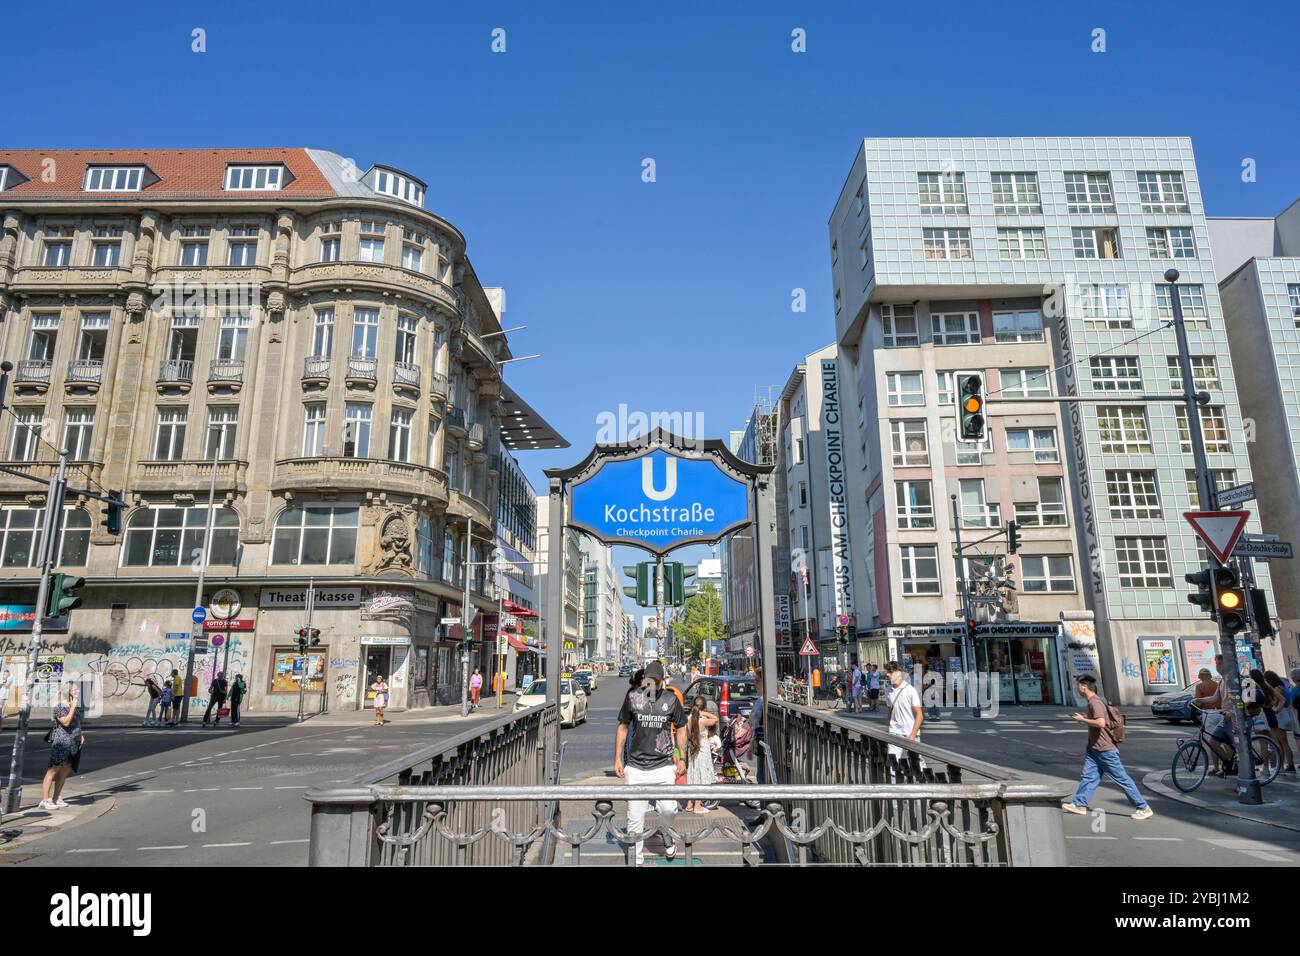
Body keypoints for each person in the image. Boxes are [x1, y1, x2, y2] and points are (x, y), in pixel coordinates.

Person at [614, 661, 687, 866]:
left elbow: (681, 728)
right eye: (649, 680)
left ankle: (667, 834)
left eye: (655, 681)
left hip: (663, 766)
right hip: (636, 767)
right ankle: (636, 860)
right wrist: (618, 758)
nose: (652, 684)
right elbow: (622, 727)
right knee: (634, 819)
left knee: (668, 809)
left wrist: (682, 757)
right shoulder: (633, 697)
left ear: (662, 681)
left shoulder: (671, 699)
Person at [1062, 675, 1152, 820]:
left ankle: (1143, 807)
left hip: (1105, 749)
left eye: (1078, 685)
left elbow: (1100, 723)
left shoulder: (1095, 703)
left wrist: (1082, 720)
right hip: (1095, 748)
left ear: (1084, 686)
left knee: (1122, 779)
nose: (1076, 688)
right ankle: (1079, 804)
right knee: (1089, 777)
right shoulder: (1095, 701)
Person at [39, 682, 84, 811]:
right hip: (61, 743)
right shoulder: (59, 706)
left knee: (66, 769)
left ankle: (56, 797)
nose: (77, 692)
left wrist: (81, 734)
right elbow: (65, 722)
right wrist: (74, 707)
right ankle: (45, 800)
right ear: (68, 692)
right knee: (53, 770)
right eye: (75, 690)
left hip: (72, 743)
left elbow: (75, 722)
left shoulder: (71, 705)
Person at [1192, 655, 1236, 773]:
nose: (1217, 666)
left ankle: (1238, 767)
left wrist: (1233, 712)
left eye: (1220, 663)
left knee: (1236, 744)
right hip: (1223, 716)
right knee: (1213, 742)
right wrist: (1199, 700)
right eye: (1216, 664)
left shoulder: (1232, 679)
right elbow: (1214, 698)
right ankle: (1229, 764)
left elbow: (1241, 699)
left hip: (1233, 717)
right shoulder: (1221, 681)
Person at [684, 696, 720, 813]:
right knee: (701, 776)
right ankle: (698, 806)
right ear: (703, 707)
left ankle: (689, 804)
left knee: (693, 776)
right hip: (702, 750)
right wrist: (704, 713)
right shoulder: (703, 720)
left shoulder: (689, 719)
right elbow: (716, 719)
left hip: (692, 750)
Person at [884, 662, 923, 769]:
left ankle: (925, 784)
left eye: (890, 672)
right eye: (887, 672)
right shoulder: (888, 690)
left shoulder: (910, 690)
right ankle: (894, 785)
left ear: (898, 673)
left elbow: (919, 715)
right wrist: (892, 724)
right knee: (892, 764)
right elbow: (890, 709)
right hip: (895, 732)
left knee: (918, 764)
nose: (887, 674)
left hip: (910, 732)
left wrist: (913, 734)